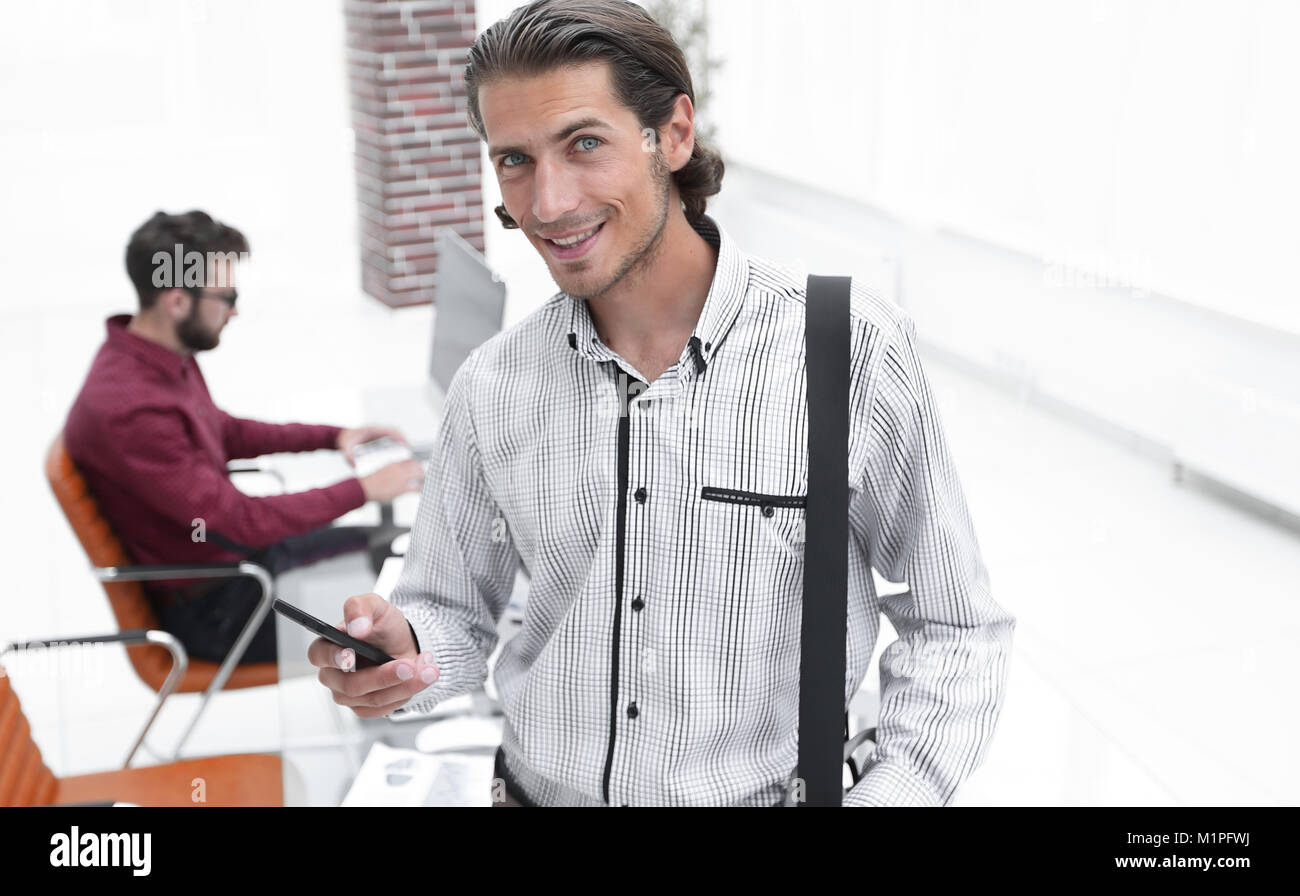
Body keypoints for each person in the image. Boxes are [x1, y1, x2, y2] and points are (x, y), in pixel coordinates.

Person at [310, 0, 1015, 806]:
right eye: (514, 160)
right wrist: (405, 651)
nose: (548, 204)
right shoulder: (492, 384)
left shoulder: (848, 351)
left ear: (672, 134)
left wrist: (892, 794)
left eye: (584, 144)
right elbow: (450, 612)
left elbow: (956, 626)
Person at [64, 210, 425, 665]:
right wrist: (364, 489)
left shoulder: (153, 355)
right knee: (418, 596)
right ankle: (406, 710)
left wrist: (335, 436)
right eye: (227, 295)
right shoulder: (132, 408)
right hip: (224, 606)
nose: (234, 310)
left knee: (408, 549)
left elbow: (226, 432)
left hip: (243, 565)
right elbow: (238, 521)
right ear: (177, 301)